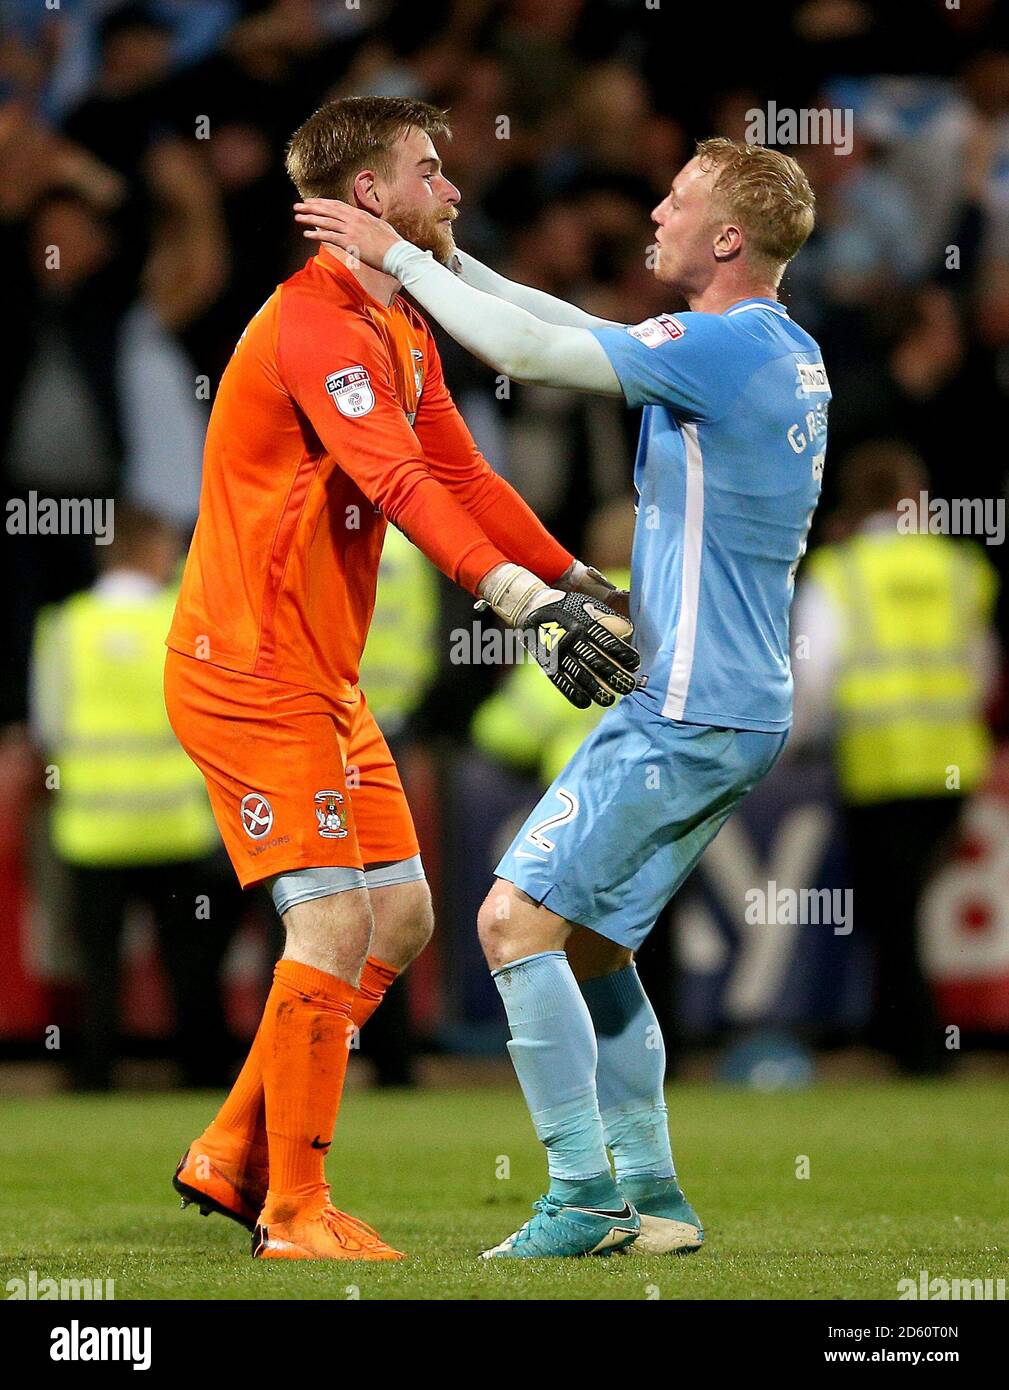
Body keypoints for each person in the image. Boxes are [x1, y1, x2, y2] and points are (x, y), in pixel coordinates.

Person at [296, 133, 824, 1257]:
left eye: (675, 202)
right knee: (590, 946)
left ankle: (583, 1197)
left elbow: (532, 355)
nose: (655, 216)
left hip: (685, 705)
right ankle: (657, 1199)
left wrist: (401, 258)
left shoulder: (720, 347)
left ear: (726, 237)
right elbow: (564, 329)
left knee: (507, 921)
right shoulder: (772, 347)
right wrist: (450, 255)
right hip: (735, 701)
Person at [164, 95, 638, 1262]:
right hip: (250, 670)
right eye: (433, 170)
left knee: (406, 915)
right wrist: (520, 603)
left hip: (319, 676)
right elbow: (396, 484)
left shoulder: (400, 324)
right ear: (369, 196)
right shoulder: (315, 325)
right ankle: (295, 1213)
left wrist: (574, 574)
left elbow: (463, 476)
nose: (455, 191)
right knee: (327, 919)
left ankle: (234, 1150)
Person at [791, 440, 999, 1074]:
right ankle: (908, 1039)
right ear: (914, 496)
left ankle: (912, 1046)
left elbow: (814, 670)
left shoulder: (842, 572)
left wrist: (793, 741)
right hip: (952, 765)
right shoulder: (958, 567)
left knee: (892, 912)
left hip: (878, 764)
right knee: (907, 906)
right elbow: (983, 670)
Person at [30, 505, 238, 1089]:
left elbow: (47, 727)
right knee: (192, 969)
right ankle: (201, 1080)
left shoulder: (65, 627)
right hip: (179, 826)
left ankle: (92, 1079)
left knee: (97, 970)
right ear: (151, 550)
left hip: (91, 833)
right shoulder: (186, 619)